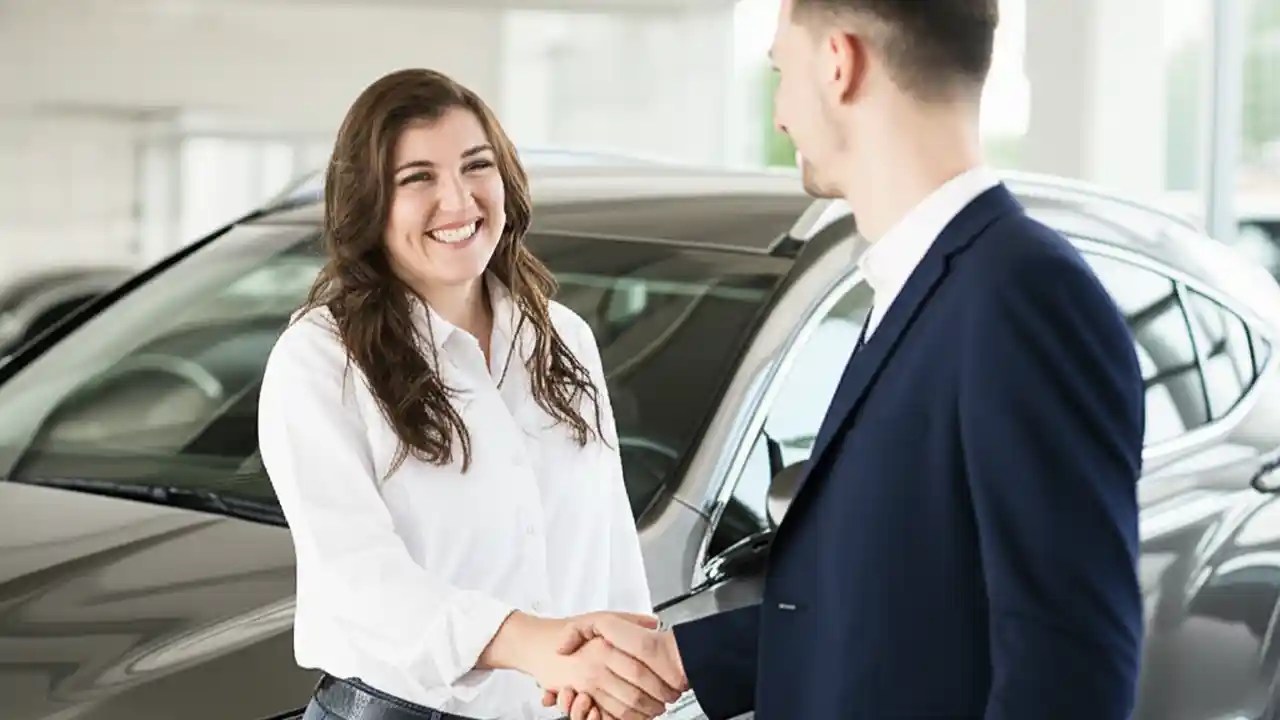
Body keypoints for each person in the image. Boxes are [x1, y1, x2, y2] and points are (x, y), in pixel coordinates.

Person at [550, 1, 1146, 719]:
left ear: (839, 63)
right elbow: (915, 600)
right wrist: (680, 656)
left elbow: (1069, 664)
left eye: (781, 71)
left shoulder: (1023, 295)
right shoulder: (927, 283)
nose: (779, 115)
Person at [257, 68, 682, 720]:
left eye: (475, 167)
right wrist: (526, 641)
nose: (457, 202)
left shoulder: (561, 339)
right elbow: (357, 581)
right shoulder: (320, 361)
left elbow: (608, 554)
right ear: (369, 203)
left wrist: (625, 680)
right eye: (417, 177)